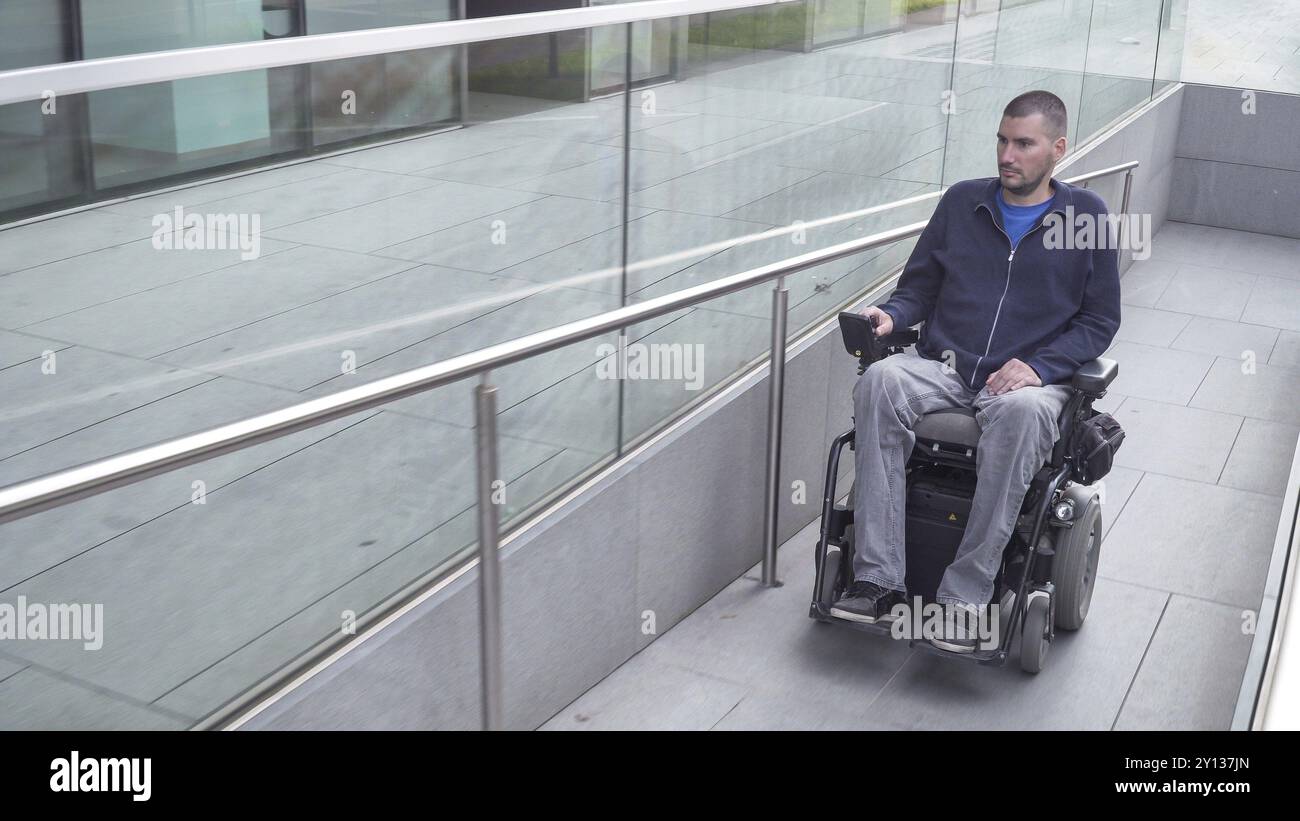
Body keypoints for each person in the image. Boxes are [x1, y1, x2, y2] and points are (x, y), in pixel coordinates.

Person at [830, 90, 1121, 652]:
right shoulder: (963, 202)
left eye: (1024, 144)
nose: (1007, 154)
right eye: (1002, 140)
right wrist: (890, 316)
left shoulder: (1085, 216)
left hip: (1026, 383)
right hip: (947, 367)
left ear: (1057, 149)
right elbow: (919, 288)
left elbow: (1099, 320)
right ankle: (876, 577)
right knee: (880, 382)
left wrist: (1040, 368)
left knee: (1024, 415)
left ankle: (965, 598)